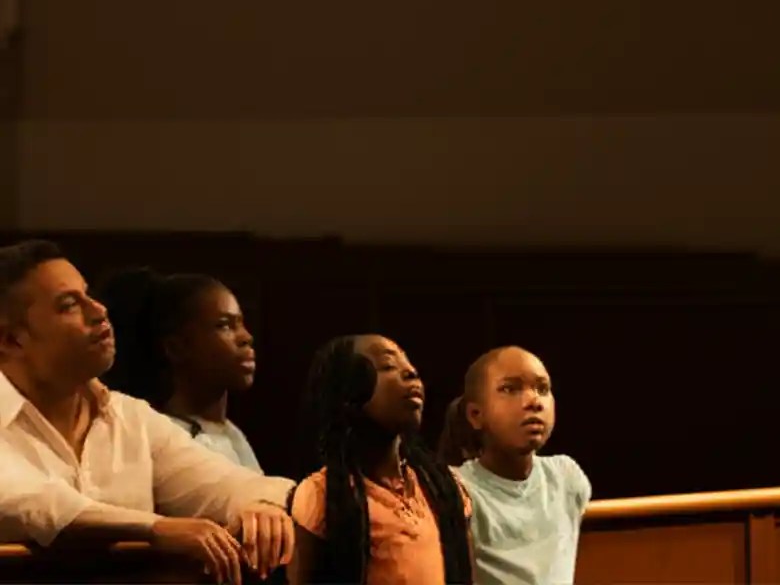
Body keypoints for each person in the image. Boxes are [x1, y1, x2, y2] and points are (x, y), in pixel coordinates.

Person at [0, 240, 295, 584]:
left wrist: (260, 504)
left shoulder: (130, 417)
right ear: (11, 340)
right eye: (69, 305)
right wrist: (156, 528)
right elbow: (30, 502)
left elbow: (223, 483)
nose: (98, 311)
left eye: (88, 294)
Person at [287, 334, 472, 585]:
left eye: (409, 364)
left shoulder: (443, 488)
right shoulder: (324, 495)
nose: (411, 372)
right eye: (387, 366)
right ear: (349, 391)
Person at [439, 346, 591, 585]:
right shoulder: (456, 488)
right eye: (510, 389)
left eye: (542, 389)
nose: (533, 401)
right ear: (475, 414)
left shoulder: (565, 477)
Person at [98, 267, 263, 471]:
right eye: (224, 325)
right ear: (177, 348)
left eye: (240, 323)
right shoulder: (170, 441)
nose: (246, 337)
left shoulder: (229, 433)